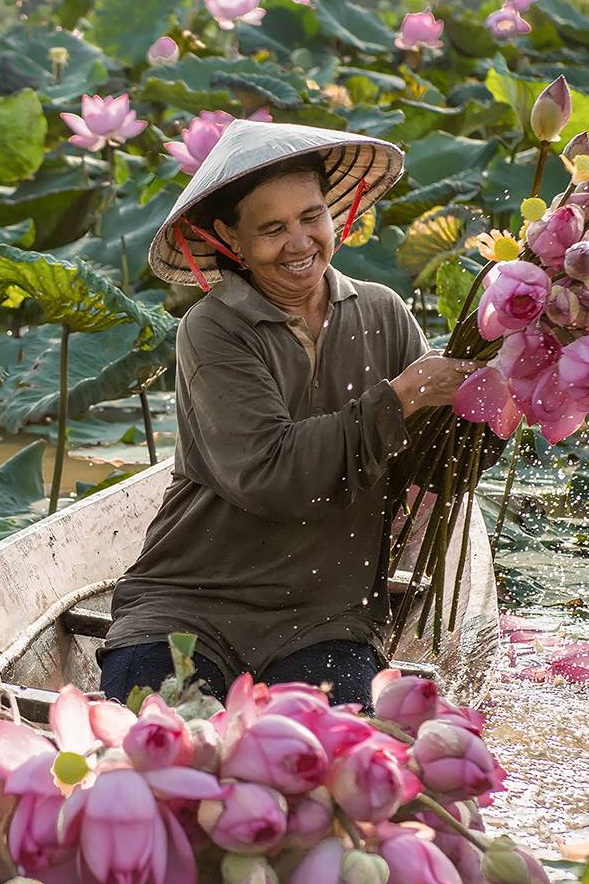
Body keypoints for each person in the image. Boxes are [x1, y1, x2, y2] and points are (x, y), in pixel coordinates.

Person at [97, 122, 480, 710]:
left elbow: (432, 466)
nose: (300, 243)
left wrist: (509, 380)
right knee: (178, 746)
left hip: (324, 616)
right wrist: (398, 398)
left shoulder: (382, 312)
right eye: (272, 229)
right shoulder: (213, 329)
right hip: (189, 605)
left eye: (312, 217)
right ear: (231, 237)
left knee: (328, 757)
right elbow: (270, 473)